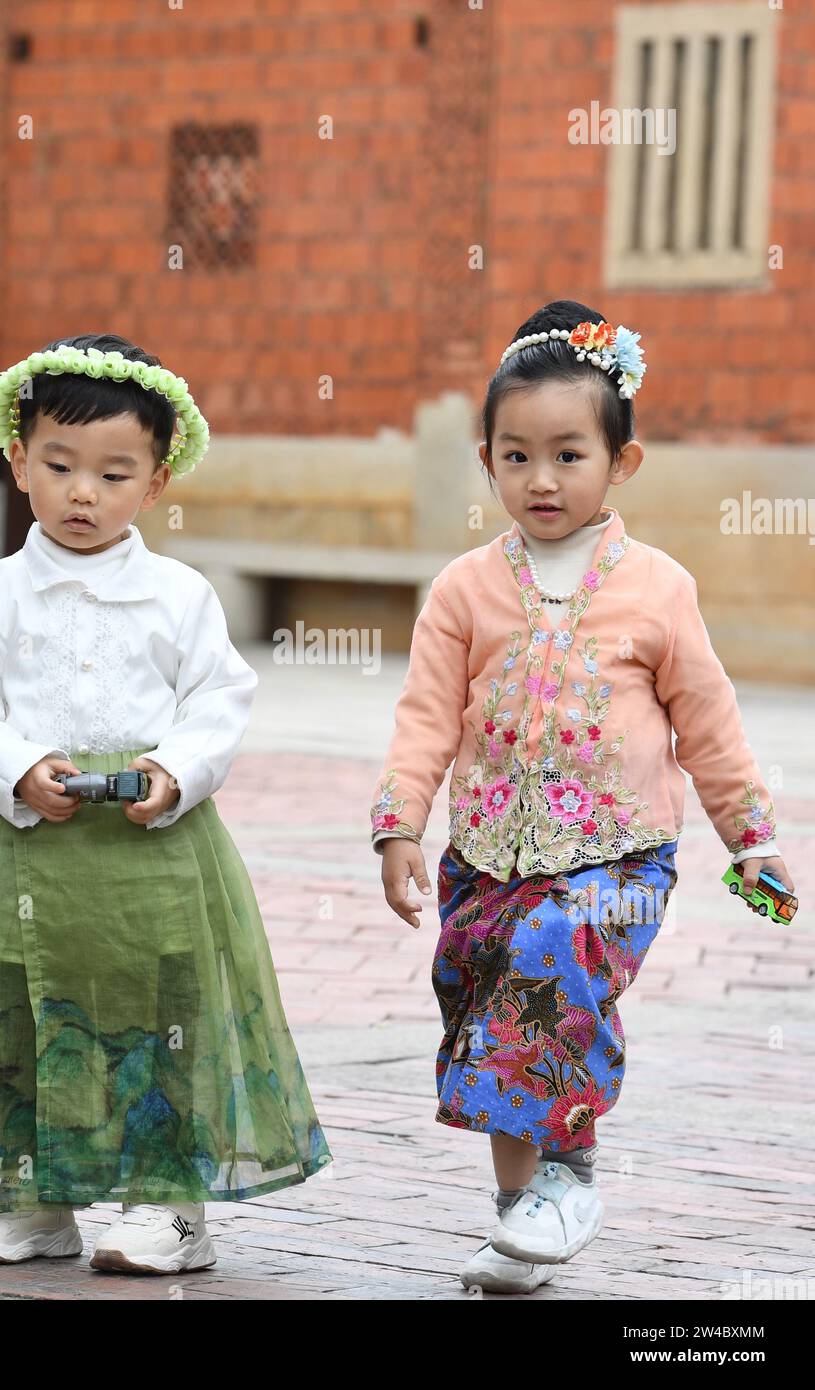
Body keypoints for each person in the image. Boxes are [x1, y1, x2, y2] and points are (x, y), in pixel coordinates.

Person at [0, 333, 331, 1276]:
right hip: (29, 840)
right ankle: (33, 1197)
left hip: (154, 850)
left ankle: (168, 1207)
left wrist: (178, 769)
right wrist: (16, 764)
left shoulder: (178, 596)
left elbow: (220, 696)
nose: (81, 493)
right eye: (59, 465)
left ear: (155, 483)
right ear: (18, 459)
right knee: (19, 1014)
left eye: (113, 474)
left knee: (160, 1015)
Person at [369, 300, 794, 1296]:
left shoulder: (659, 588)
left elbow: (711, 723)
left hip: (618, 860)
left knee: (545, 965)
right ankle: (525, 1218)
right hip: (486, 856)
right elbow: (425, 717)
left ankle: (571, 1178)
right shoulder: (465, 590)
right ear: (487, 462)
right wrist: (400, 825)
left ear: (622, 462)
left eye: (568, 454)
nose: (542, 478)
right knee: (487, 1007)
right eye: (516, 457)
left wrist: (752, 842)